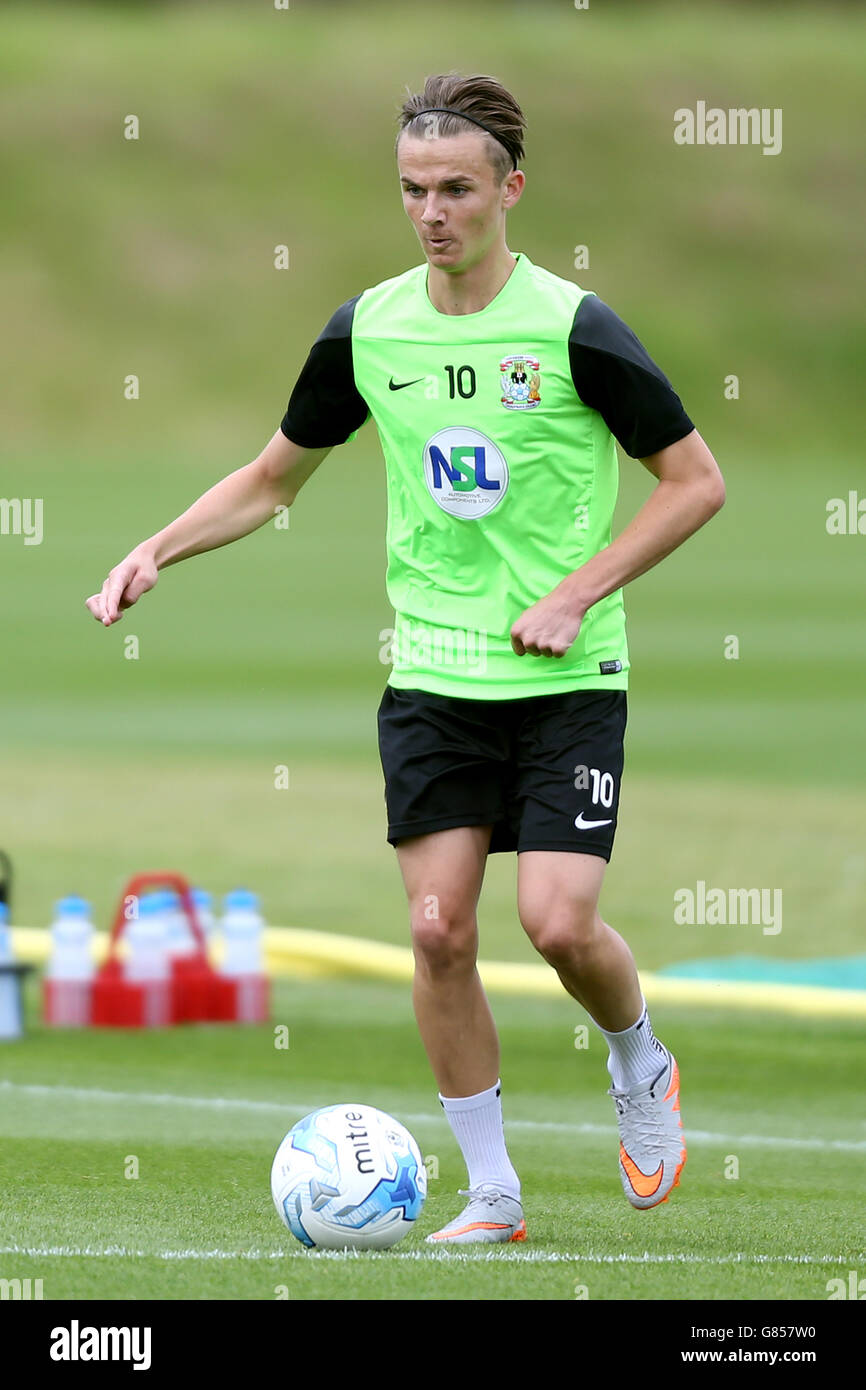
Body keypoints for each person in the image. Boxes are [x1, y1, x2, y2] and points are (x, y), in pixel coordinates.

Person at [86, 72, 725, 1246]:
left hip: (566, 679)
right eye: (411, 190)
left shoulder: (574, 327)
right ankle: (492, 1197)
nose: (431, 211)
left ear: (509, 190)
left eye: (454, 189)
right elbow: (273, 475)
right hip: (432, 677)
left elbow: (695, 483)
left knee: (558, 923)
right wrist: (158, 548)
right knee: (437, 930)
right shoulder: (366, 328)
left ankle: (638, 1059)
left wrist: (577, 591)